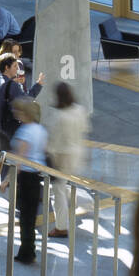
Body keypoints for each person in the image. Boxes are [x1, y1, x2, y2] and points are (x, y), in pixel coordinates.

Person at [0, 53, 45, 214]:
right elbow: (26, 102)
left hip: (0, 125)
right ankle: (14, 190)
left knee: (5, 156)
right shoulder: (12, 86)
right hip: (11, 127)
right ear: (7, 67)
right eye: (15, 66)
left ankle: (5, 183)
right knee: (16, 158)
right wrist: (38, 85)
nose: (18, 69)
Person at [45, 82, 89, 240]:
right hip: (77, 153)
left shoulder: (58, 115)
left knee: (58, 190)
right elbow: (85, 128)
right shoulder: (79, 110)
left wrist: (47, 152)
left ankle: (61, 227)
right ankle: (73, 207)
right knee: (69, 185)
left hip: (61, 156)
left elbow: (54, 141)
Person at [9, 98, 46, 265]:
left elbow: (19, 159)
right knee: (31, 216)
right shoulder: (40, 130)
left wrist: (8, 180)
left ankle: (26, 251)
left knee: (25, 217)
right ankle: (29, 249)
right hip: (37, 176)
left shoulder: (25, 132)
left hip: (26, 177)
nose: (16, 114)